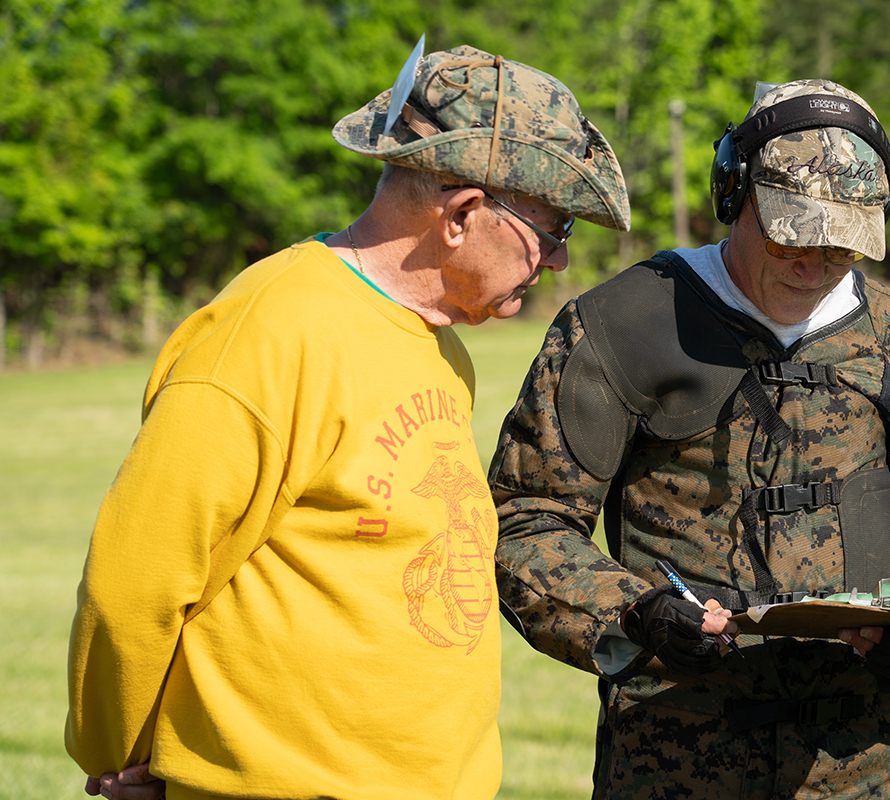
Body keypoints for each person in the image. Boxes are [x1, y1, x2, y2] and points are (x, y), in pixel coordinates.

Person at [65, 44, 630, 800]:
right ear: (462, 216)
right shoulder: (269, 332)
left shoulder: (442, 349)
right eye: (552, 231)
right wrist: (119, 756)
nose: (557, 262)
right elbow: (134, 585)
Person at [489, 78, 890, 798]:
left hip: (864, 776)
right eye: (793, 233)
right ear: (734, 194)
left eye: (840, 247)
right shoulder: (622, 326)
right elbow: (525, 523)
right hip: (671, 768)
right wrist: (635, 614)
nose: (813, 264)